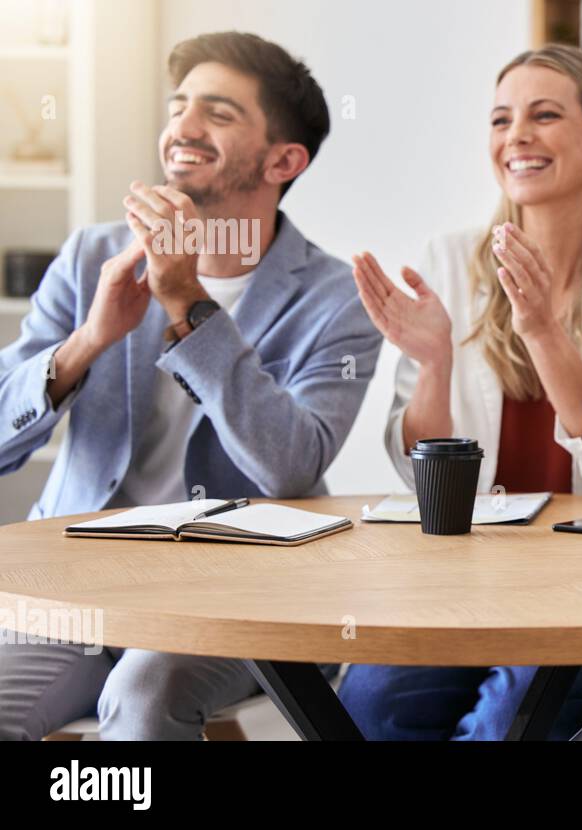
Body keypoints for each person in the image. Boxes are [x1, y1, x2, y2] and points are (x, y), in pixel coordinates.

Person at [0, 31, 381, 741]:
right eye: (178, 106)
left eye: (218, 112)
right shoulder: (92, 256)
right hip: (79, 586)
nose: (182, 127)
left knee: (144, 697)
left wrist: (187, 306)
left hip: (239, 598)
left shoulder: (337, 298)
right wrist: (88, 342)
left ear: (283, 160)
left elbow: (292, 465)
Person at [337, 43, 582, 740]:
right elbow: (416, 472)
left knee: (506, 722)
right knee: (368, 705)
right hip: (463, 575)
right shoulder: (450, 260)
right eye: (501, 120)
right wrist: (435, 362)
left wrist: (543, 330)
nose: (517, 138)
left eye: (543, 116)